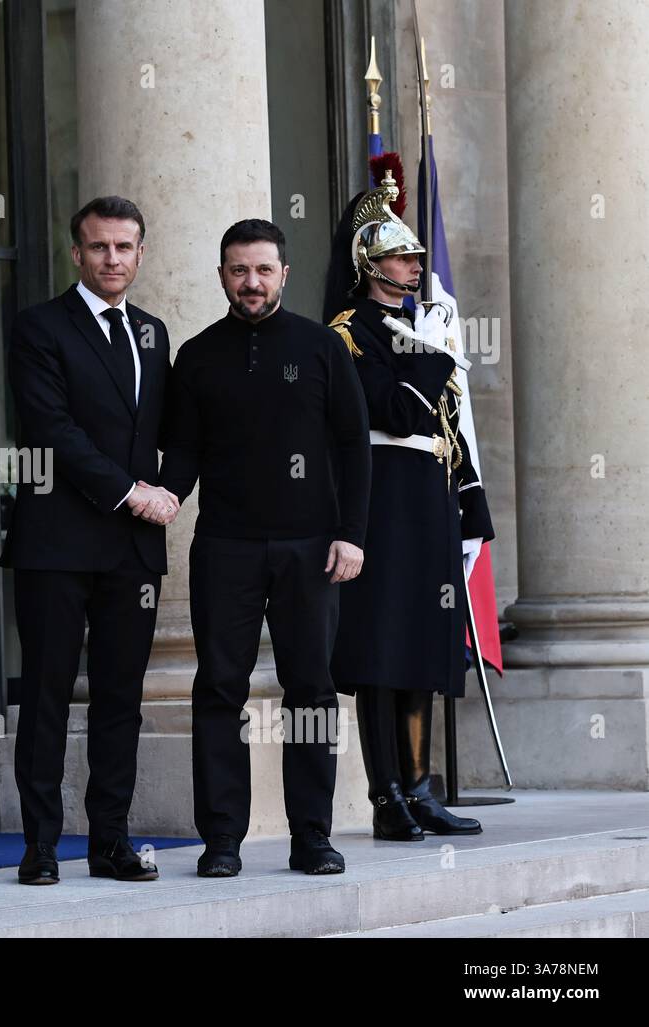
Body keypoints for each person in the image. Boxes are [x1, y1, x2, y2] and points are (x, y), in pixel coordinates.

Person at [160, 218, 370, 878]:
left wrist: (352, 533)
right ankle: (222, 837)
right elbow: (185, 452)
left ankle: (312, 835)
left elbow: (353, 446)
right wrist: (159, 496)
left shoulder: (321, 347)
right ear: (222, 275)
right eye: (238, 269)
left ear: (284, 273)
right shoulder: (196, 355)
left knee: (310, 687)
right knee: (220, 687)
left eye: (263, 269)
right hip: (224, 545)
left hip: (311, 547)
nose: (251, 281)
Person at [0, 195, 177, 885]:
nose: (112, 259)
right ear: (77, 252)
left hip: (131, 551)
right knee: (45, 696)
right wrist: (134, 493)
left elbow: (171, 432)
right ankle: (40, 845)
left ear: (140, 253)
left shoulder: (156, 333)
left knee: (120, 700)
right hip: (55, 542)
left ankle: (111, 841)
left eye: (124, 247)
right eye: (99, 247)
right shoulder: (40, 327)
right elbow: (52, 430)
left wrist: (176, 487)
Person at [323, 159, 493, 840]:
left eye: (416, 255)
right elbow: (395, 409)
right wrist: (437, 352)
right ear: (369, 261)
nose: (414, 265)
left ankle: (420, 788)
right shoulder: (348, 330)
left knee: (424, 643)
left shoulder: (423, 328)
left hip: (428, 494)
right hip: (381, 496)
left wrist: (472, 494)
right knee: (381, 647)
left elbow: (447, 424)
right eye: (399, 255)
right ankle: (385, 793)